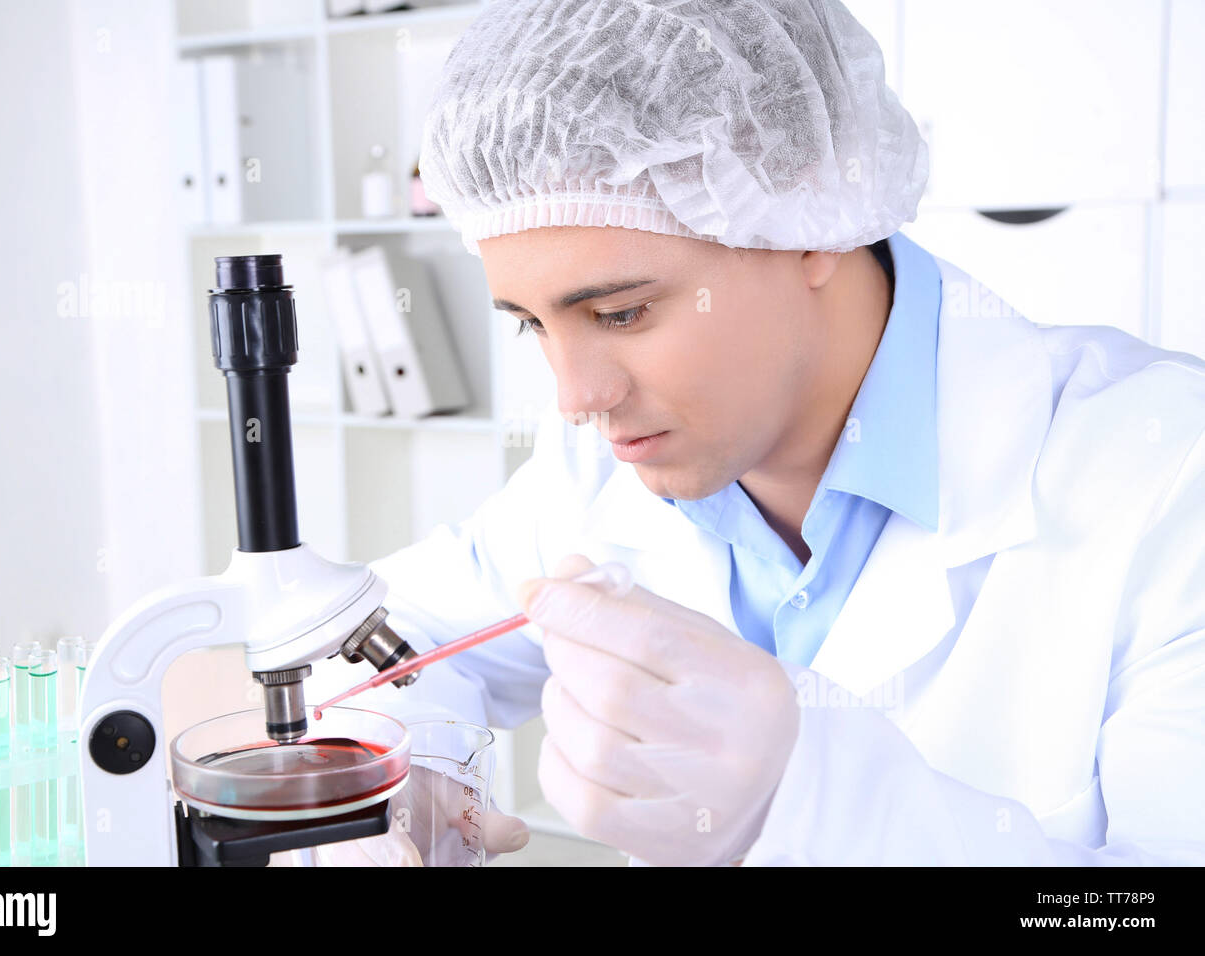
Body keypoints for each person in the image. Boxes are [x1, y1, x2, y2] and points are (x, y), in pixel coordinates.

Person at [308, 0, 1205, 866]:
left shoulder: (1168, 473)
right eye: (530, 325)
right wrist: (398, 774)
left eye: (620, 313)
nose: (575, 397)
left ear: (809, 216)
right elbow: (397, 632)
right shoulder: (600, 469)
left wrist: (809, 804)